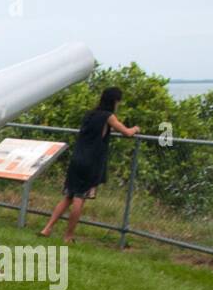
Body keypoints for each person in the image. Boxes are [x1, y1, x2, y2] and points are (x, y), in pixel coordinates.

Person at [40, 87, 140, 242]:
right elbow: (126, 132)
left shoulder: (90, 114)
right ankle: (68, 236)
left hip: (77, 158)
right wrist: (135, 129)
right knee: (80, 198)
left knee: (68, 196)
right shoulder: (109, 117)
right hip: (91, 161)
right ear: (114, 101)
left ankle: (47, 228)